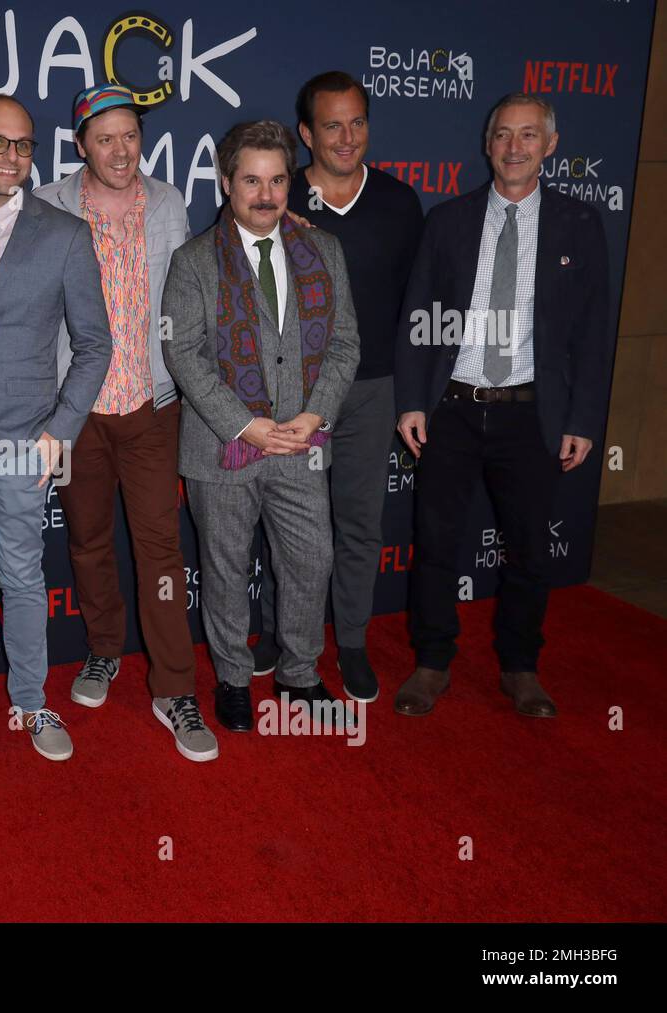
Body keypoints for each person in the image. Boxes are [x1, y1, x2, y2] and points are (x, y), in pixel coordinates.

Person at [0, 85, 213, 759]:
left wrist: (58, 423)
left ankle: (170, 687)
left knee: (156, 551)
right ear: (80, 143)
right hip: (27, 418)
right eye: (104, 137)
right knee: (74, 545)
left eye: (130, 135)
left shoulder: (166, 203)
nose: (120, 149)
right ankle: (96, 652)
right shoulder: (27, 203)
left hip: (135, 403)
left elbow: (165, 305)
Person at [394, 93, 612, 719]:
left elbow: (594, 333)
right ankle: (432, 663)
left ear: (550, 145)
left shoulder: (579, 225)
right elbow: (417, 317)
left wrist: (582, 419)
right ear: (487, 144)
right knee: (434, 543)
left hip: (532, 414)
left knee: (530, 550)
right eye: (503, 135)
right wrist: (412, 400)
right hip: (452, 409)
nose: (514, 147)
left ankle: (520, 666)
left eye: (528, 135)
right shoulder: (449, 220)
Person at [0, 94, 112, 761]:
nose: (12, 156)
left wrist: (60, 431)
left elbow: (96, 344)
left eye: (24, 145)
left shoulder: (64, 234)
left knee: (23, 573)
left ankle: (32, 700)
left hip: (19, 435)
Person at [162, 120, 360, 734]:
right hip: (224, 449)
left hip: (301, 443)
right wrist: (243, 424)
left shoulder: (322, 249)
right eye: (251, 180)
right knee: (223, 569)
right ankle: (231, 678)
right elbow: (183, 353)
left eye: (277, 180)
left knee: (311, 559)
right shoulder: (193, 259)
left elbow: (346, 344)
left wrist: (314, 415)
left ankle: (299, 673)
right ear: (227, 183)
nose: (266, 194)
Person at [254, 71, 424, 702]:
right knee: (289, 525)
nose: (347, 136)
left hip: (371, 388)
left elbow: (418, 306)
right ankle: (278, 633)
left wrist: (411, 394)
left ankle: (349, 641)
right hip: (290, 391)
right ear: (306, 133)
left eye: (357, 122)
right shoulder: (273, 194)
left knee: (358, 523)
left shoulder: (400, 203)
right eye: (332, 124)